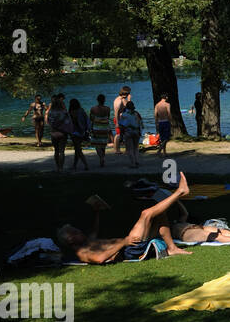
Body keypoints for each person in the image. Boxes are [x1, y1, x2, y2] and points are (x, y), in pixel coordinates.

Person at [54, 173, 196, 263]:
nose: (80, 231)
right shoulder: (83, 253)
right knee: (146, 214)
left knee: (160, 214)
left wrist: (97, 211)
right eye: (76, 232)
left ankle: (172, 248)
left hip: (131, 245)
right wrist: (124, 242)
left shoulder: (88, 241)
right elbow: (100, 258)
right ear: (71, 240)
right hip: (130, 250)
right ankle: (180, 191)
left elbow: (94, 230)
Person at [45, 94, 71, 172]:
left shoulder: (51, 112)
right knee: (62, 151)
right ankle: (61, 168)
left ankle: (57, 167)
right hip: (62, 133)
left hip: (53, 133)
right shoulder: (63, 112)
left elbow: (49, 122)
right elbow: (67, 122)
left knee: (56, 151)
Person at [88, 94, 112, 168]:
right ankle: (102, 157)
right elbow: (108, 117)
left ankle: (101, 158)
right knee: (103, 144)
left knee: (97, 144)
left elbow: (91, 119)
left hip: (96, 128)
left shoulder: (93, 109)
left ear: (97, 100)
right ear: (104, 100)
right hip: (105, 128)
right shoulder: (108, 109)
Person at [67, 98, 89, 170]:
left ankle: (86, 164)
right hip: (82, 132)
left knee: (78, 149)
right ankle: (74, 165)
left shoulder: (71, 112)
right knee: (77, 149)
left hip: (74, 132)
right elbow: (87, 120)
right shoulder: (81, 110)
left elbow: (69, 123)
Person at [118, 100, 143, 167]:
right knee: (136, 148)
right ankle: (137, 161)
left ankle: (133, 163)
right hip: (136, 131)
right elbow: (141, 123)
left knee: (130, 149)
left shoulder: (124, 115)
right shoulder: (137, 114)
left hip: (128, 132)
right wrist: (140, 132)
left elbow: (122, 126)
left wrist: (121, 136)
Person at [111, 87, 131, 153]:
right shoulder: (118, 101)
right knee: (118, 134)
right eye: (129, 93)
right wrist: (117, 122)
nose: (129, 94)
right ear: (126, 93)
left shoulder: (122, 99)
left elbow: (128, 108)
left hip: (123, 119)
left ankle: (123, 149)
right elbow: (116, 112)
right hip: (119, 119)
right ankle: (116, 150)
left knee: (124, 134)